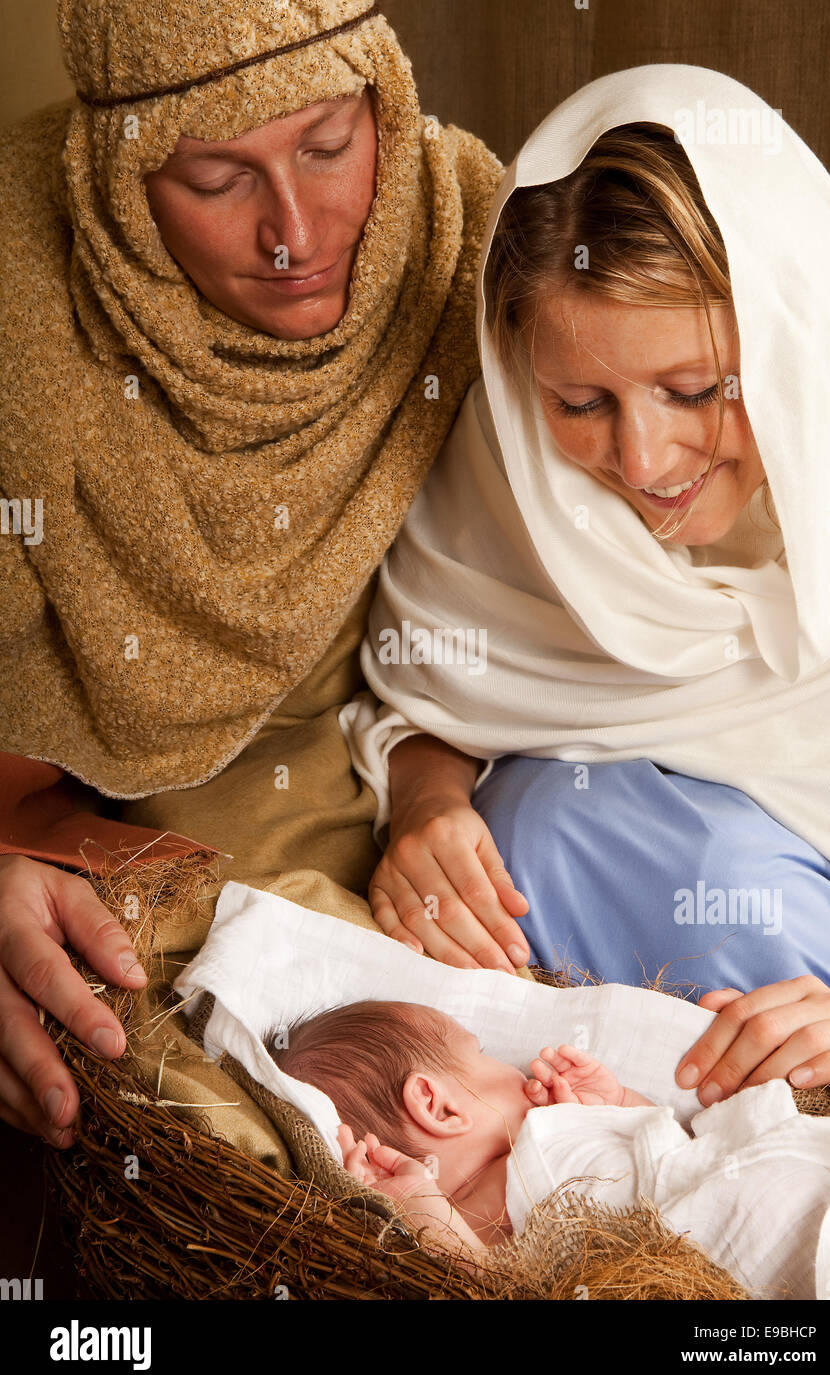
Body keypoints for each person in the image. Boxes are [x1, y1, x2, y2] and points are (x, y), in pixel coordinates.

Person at [0, 0, 503, 1148]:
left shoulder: (474, 239)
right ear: (119, 182)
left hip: (463, 805)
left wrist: (437, 784)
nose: (293, 232)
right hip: (141, 852)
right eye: (217, 179)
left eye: (328, 146)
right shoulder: (19, 294)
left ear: (388, 96)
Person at [340, 66, 830, 1102]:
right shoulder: (499, 495)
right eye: (580, 401)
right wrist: (425, 808)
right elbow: (431, 697)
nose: (642, 459)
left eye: (692, 390)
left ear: (793, 344)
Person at [273, 997, 830, 1298]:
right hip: (770, 1234)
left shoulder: (551, 1131)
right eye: (485, 1058)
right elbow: (479, 1278)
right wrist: (417, 1203)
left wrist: (615, 1103)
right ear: (440, 1107)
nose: (513, 1067)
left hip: (795, 1172)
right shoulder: (479, 1207)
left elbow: (669, 1150)